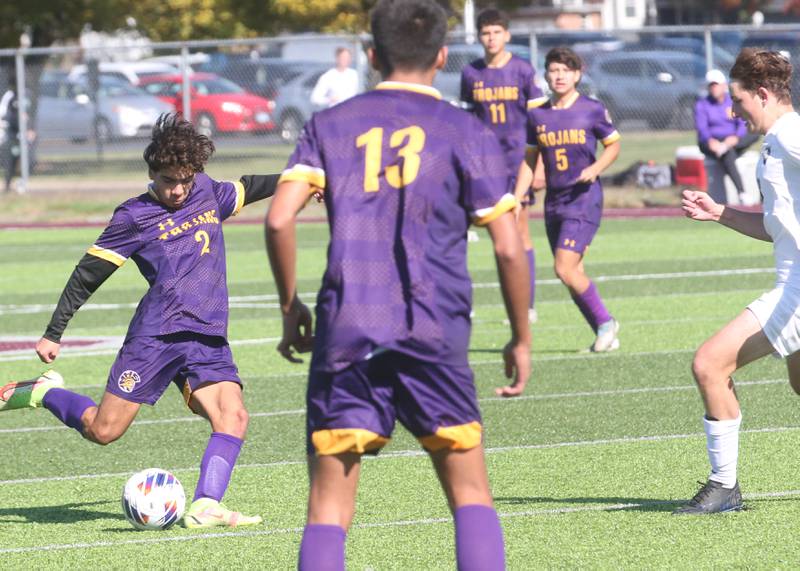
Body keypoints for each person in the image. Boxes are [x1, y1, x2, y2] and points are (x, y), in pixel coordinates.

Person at [265, 0, 531, 568]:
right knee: (470, 496)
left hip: (347, 326)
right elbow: (510, 246)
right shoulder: (464, 130)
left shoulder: (329, 124)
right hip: (433, 328)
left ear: (370, 55)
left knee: (328, 509)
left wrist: (291, 307)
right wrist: (520, 336)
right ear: (441, 55)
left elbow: (279, 217)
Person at [0, 113, 279, 528]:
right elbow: (88, 274)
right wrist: (53, 332)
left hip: (206, 336)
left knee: (233, 416)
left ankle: (206, 506)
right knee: (103, 430)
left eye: (186, 179)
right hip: (156, 337)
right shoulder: (134, 216)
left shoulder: (206, 192)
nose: (179, 190)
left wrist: (308, 180)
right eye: (169, 180)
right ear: (152, 172)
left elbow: (252, 186)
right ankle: (43, 393)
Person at [675, 49, 797, 515]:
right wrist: (719, 212)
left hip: (797, 290)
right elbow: (775, 227)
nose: (732, 110)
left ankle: (724, 487)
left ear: (762, 94)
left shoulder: (790, 136)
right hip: (791, 282)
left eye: (739, 98)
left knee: (709, 363)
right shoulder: (773, 142)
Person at [516, 47, 621, 352]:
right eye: (553, 70)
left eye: (566, 70)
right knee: (572, 272)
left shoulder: (591, 109)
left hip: (584, 200)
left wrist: (596, 168)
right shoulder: (537, 114)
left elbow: (613, 146)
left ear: (577, 75)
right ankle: (605, 331)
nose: (559, 76)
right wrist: (518, 196)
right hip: (554, 203)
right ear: (546, 75)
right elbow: (529, 161)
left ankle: (605, 324)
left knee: (564, 268)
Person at [461, 8, 545, 323]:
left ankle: (526, 304)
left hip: (517, 163)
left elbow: (539, 121)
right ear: (479, 37)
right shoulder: (470, 73)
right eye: (485, 33)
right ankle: (459, 303)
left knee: (519, 230)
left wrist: (540, 166)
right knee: (459, 230)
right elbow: (468, 121)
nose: (491, 38)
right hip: (483, 165)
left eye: (497, 32)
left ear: (507, 35)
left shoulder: (522, 71)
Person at [694, 68, 760, 204]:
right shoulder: (702, 104)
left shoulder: (732, 101)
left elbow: (742, 122)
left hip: (733, 140)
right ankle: (742, 192)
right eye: (711, 85)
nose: (713, 88)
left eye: (716, 85)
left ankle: (727, 150)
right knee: (727, 153)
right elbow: (702, 129)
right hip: (712, 141)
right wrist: (711, 141)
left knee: (754, 134)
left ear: (724, 85)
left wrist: (735, 138)